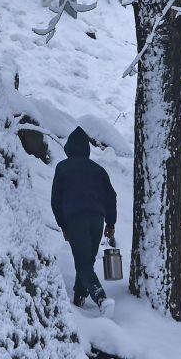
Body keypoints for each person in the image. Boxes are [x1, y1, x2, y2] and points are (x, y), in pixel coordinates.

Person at [50, 127, 117, 316]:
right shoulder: (99, 170)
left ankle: (101, 299)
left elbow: (56, 199)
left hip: (75, 220)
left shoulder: (63, 167)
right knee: (86, 261)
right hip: (97, 220)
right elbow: (111, 196)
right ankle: (79, 298)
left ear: (69, 148)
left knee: (83, 264)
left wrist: (63, 225)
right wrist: (110, 223)